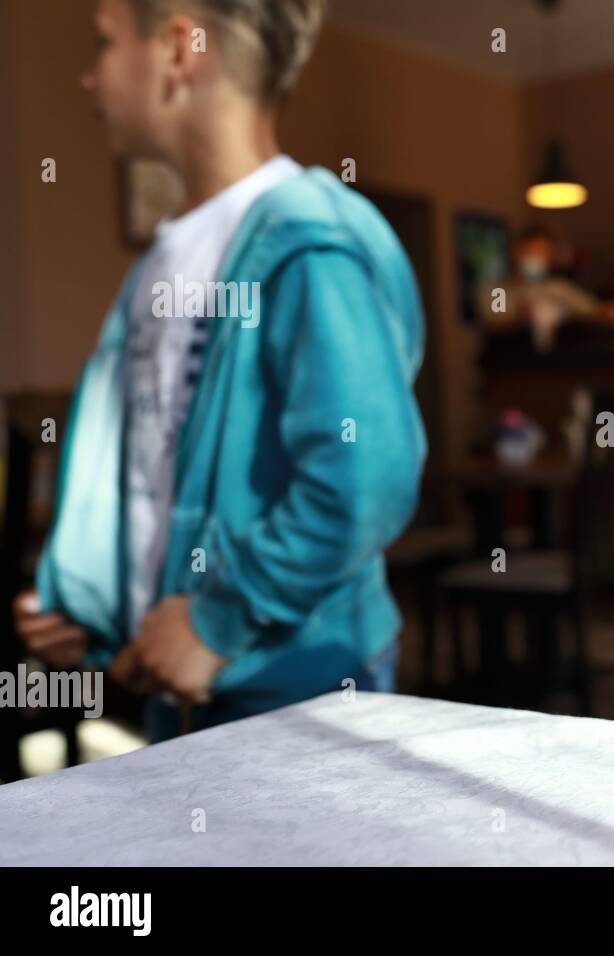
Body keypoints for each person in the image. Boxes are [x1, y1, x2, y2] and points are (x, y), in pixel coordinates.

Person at [12, 0, 427, 741]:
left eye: (103, 47)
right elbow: (153, 473)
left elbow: (366, 473)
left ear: (178, 50)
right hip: (185, 686)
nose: (86, 77)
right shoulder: (159, 264)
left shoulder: (306, 238)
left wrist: (217, 619)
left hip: (298, 690)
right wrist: (92, 607)